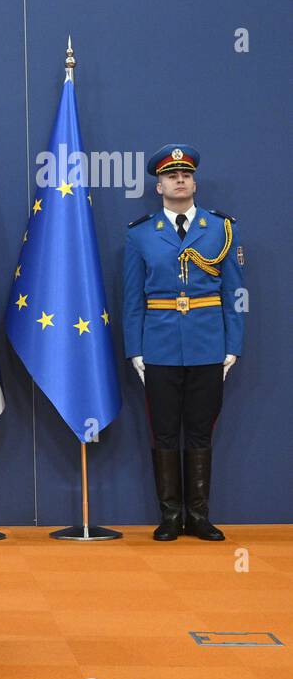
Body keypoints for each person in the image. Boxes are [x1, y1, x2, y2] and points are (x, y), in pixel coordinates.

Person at [123, 144, 243, 542]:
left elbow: (235, 293)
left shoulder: (221, 229)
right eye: (171, 176)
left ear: (194, 181)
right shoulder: (141, 235)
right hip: (158, 347)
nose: (179, 180)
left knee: (200, 432)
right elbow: (132, 297)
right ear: (158, 186)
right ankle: (171, 516)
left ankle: (200, 516)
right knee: (164, 433)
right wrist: (136, 350)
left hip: (208, 344)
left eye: (186, 175)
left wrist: (233, 346)